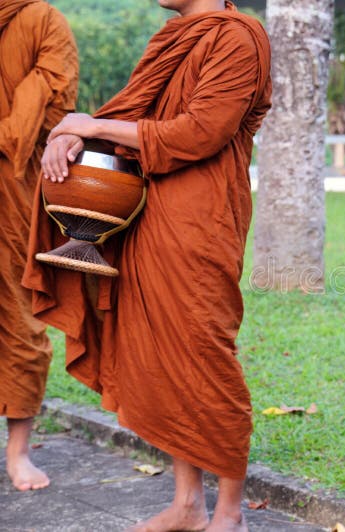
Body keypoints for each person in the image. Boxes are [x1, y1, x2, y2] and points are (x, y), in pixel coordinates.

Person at [24, 0, 271, 530]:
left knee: (205, 355)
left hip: (200, 221)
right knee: (162, 360)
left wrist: (92, 125)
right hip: (142, 216)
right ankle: (187, 505)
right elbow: (130, 115)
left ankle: (229, 513)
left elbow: (201, 132)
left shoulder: (238, 36)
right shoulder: (173, 36)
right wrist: (74, 134)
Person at [0, 0, 78, 492]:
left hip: (16, 185)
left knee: (19, 318)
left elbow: (55, 100)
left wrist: (11, 131)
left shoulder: (43, 20)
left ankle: (17, 453)